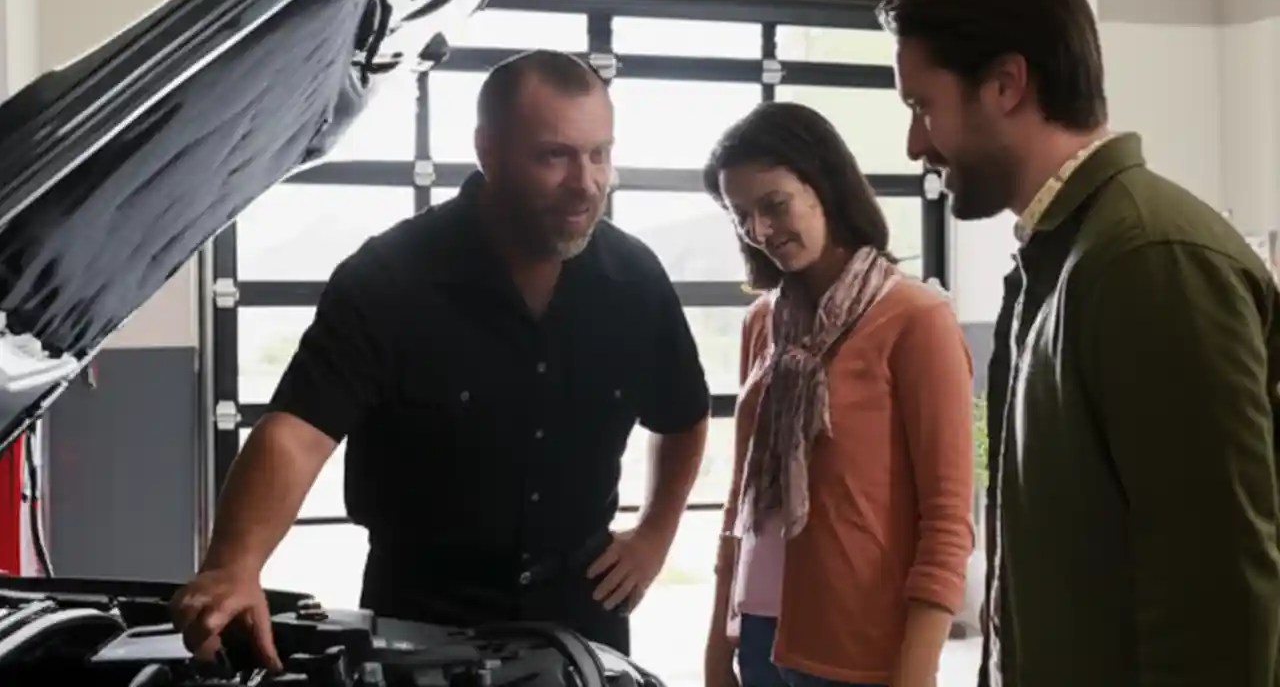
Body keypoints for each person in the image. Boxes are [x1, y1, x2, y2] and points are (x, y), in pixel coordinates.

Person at [170, 49, 711, 668]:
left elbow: (683, 413)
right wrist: (235, 563)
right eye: (554, 156)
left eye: (600, 154)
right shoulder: (389, 279)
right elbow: (297, 433)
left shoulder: (634, 280)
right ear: (489, 151)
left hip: (583, 624)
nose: (585, 184)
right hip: (420, 622)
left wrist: (654, 535)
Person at [877, 0, 1280, 685]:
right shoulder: (1062, 258)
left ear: (1006, 84)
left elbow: (1217, 600)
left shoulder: (1151, 260)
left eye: (922, 106)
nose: (915, 143)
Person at [702, 101, 975, 687]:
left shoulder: (915, 319)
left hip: (858, 648)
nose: (760, 232)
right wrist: (714, 649)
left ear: (823, 183)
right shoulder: (763, 322)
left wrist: (917, 670)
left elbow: (948, 521)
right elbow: (739, 502)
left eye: (773, 205)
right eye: (741, 216)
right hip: (756, 630)